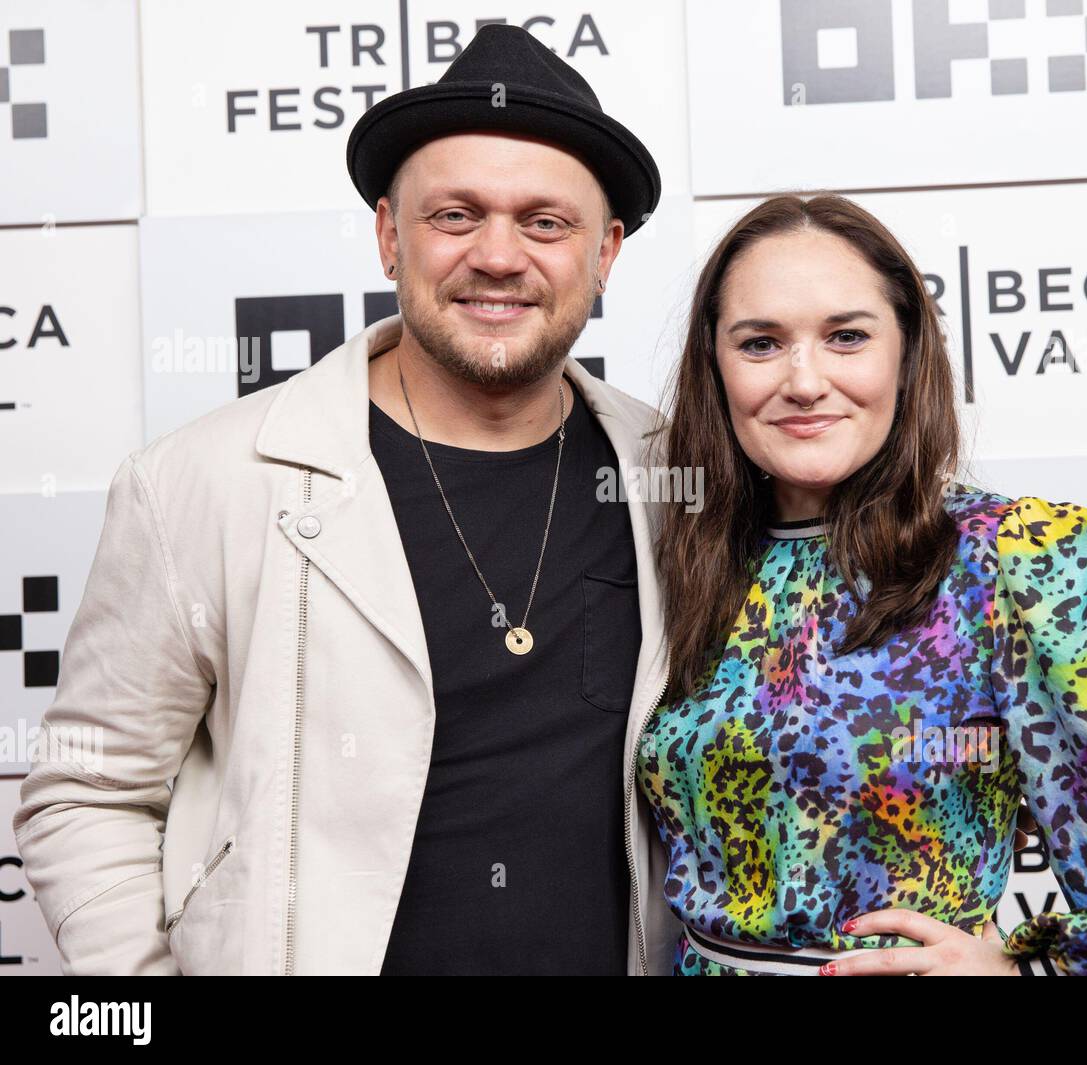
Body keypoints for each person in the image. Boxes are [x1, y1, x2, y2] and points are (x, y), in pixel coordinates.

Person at [13, 24, 684, 975]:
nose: (498, 255)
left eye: (546, 222)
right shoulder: (207, 482)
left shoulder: (677, 477)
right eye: (455, 216)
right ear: (387, 234)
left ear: (606, 252)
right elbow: (86, 792)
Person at [636, 192, 1087, 976]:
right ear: (715, 363)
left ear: (908, 354)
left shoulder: (1009, 558)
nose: (804, 380)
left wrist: (1038, 970)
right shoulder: (677, 553)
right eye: (760, 343)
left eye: (847, 337)